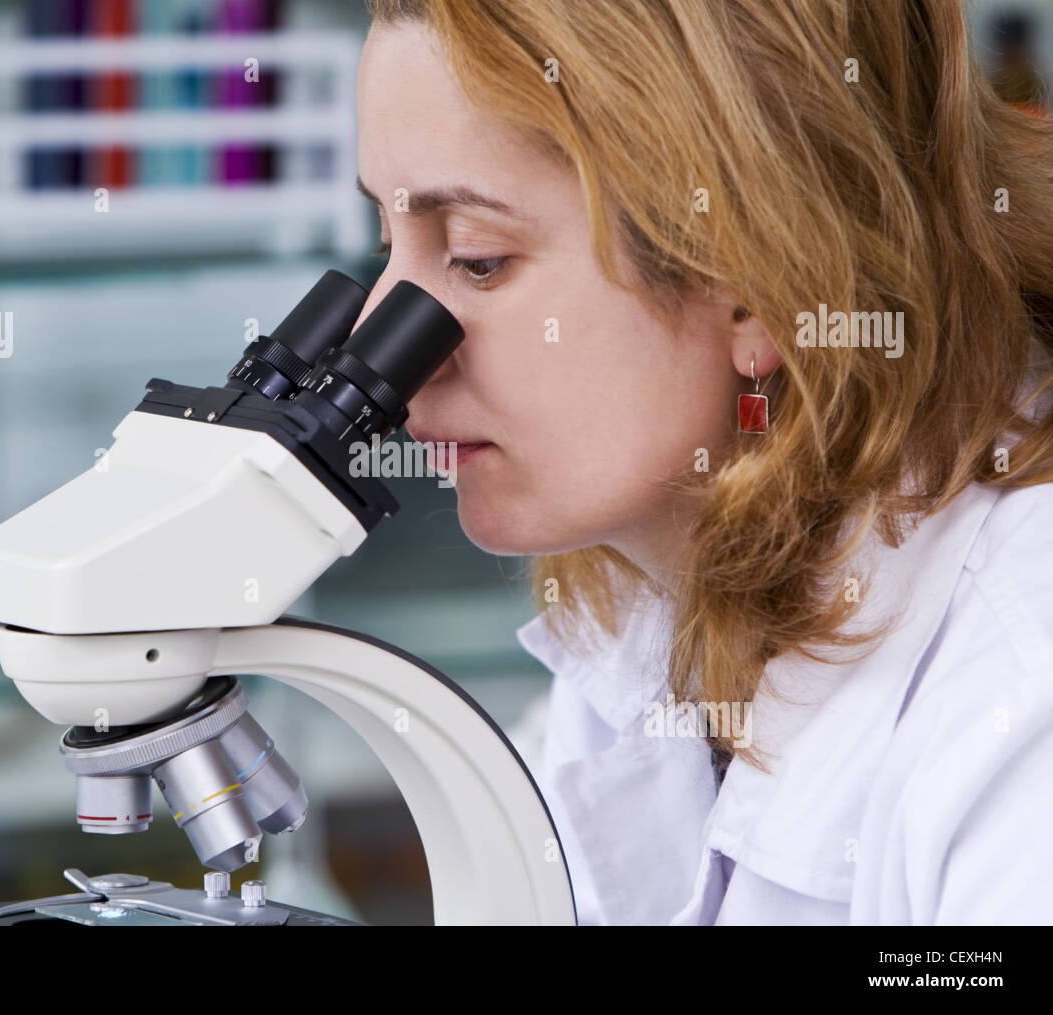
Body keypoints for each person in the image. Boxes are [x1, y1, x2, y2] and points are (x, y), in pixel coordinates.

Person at [350, 0, 1053, 924]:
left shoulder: (1020, 689)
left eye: (476, 259)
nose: (375, 343)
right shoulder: (645, 603)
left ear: (765, 279)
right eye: (386, 243)